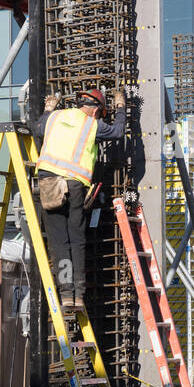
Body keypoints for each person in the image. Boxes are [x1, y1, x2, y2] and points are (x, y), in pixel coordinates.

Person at [35, 88, 126, 311]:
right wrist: (121, 107)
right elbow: (118, 132)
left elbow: (37, 130)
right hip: (75, 185)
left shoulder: (55, 117)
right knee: (76, 241)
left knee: (60, 243)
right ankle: (78, 296)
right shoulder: (92, 125)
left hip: (49, 184)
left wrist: (47, 109)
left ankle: (67, 295)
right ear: (95, 111)